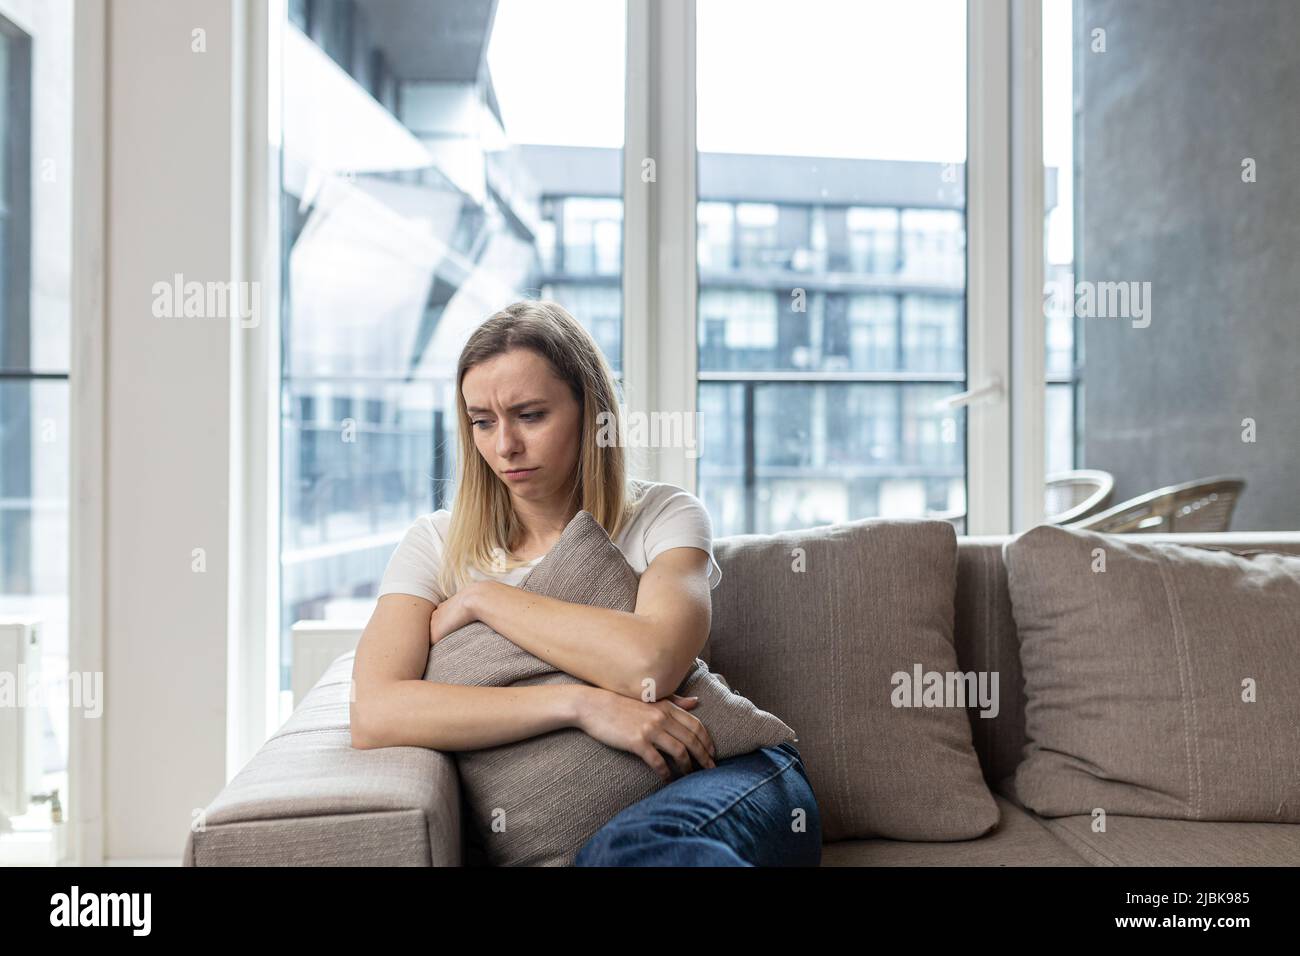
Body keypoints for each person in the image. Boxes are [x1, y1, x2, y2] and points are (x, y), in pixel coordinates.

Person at [350, 299, 821, 866]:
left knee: (637, 848)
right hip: (597, 839)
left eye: (530, 415)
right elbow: (375, 711)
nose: (505, 446)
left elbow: (651, 664)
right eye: (482, 421)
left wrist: (483, 598)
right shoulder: (434, 544)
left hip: (729, 776)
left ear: (590, 411)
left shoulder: (664, 515)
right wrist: (579, 705)